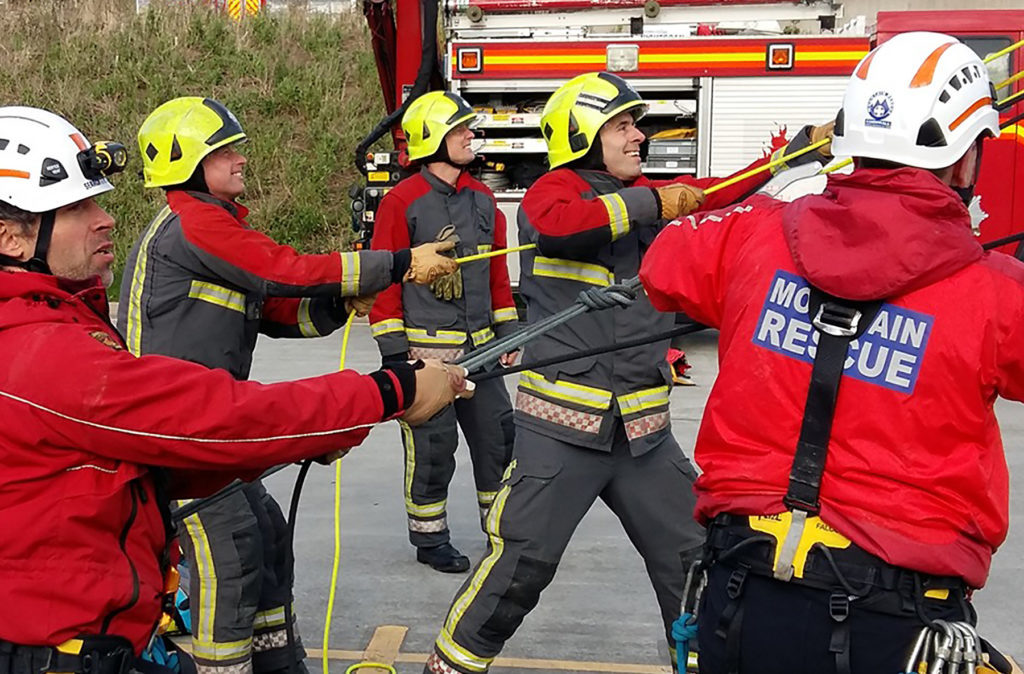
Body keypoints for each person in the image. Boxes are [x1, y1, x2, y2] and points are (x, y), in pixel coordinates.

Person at [0, 106, 470, 674]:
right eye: (78, 207)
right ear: (10, 237)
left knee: (264, 539)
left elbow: (268, 313)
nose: (107, 219)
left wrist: (299, 428)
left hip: (176, 458)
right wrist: (388, 385)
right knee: (231, 560)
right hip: (66, 635)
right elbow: (226, 393)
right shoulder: (42, 347)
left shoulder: (55, 324)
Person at [424, 71, 832, 674]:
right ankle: (449, 666)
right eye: (621, 126)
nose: (638, 136)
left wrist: (787, 158)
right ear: (583, 134)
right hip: (560, 436)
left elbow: (707, 195)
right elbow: (563, 226)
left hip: (644, 439)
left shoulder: (642, 195)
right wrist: (656, 202)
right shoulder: (553, 193)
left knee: (695, 563)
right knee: (520, 566)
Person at [639, 32, 1017, 673]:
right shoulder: (995, 292)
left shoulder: (756, 234)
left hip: (742, 597)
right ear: (963, 161)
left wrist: (787, 193)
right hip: (896, 619)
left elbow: (665, 264)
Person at [369, 91, 518, 573]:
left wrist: (508, 331)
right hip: (425, 358)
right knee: (433, 450)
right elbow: (383, 279)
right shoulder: (402, 202)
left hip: (483, 353)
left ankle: (502, 532)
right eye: (460, 131)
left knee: (498, 442)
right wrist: (395, 353)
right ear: (433, 139)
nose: (471, 136)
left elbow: (497, 273)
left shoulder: (484, 199)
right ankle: (431, 539)